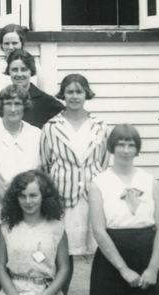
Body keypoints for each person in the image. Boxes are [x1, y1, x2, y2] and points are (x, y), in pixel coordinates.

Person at [87, 124, 159, 295]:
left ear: (137, 149)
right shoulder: (99, 183)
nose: (125, 150)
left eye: (131, 145)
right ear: (112, 148)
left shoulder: (150, 181)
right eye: (121, 144)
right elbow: (99, 231)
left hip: (145, 253)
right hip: (113, 258)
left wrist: (153, 268)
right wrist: (123, 269)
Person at [0, 170, 86, 295]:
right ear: (15, 198)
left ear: (44, 196)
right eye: (22, 196)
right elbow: (0, 267)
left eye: (33, 196)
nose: (28, 201)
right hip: (15, 289)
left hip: (45, 290)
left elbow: (64, 268)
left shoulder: (57, 227)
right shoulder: (6, 227)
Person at [41, 74, 110, 257]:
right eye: (69, 92)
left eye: (79, 92)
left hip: (92, 196)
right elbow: (45, 164)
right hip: (64, 196)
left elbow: (103, 162)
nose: (74, 96)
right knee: (64, 251)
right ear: (63, 94)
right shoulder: (51, 127)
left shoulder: (99, 126)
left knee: (97, 248)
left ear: (86, 94)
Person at [0, 84, 42, 231]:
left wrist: (24, 201)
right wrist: (9, 203)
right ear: (1, 106)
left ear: (25, 106)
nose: (13, 109)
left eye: (17, 104)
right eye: (8, 103)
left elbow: (37, 173)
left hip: (26, 197)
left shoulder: (36, 134)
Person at [4, 49, 62, 128]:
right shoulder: (3, 101)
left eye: (24, 69)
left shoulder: (47, 102)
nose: (19, 74)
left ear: (31, 71)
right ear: (9, 72)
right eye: (14, 70)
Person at [0, 23, 42, 92]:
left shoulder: (35, 66)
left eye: (14, 43)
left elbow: (42, 92)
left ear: (21, 43)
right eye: (6, 43)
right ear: (1, 45)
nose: (10, 47)